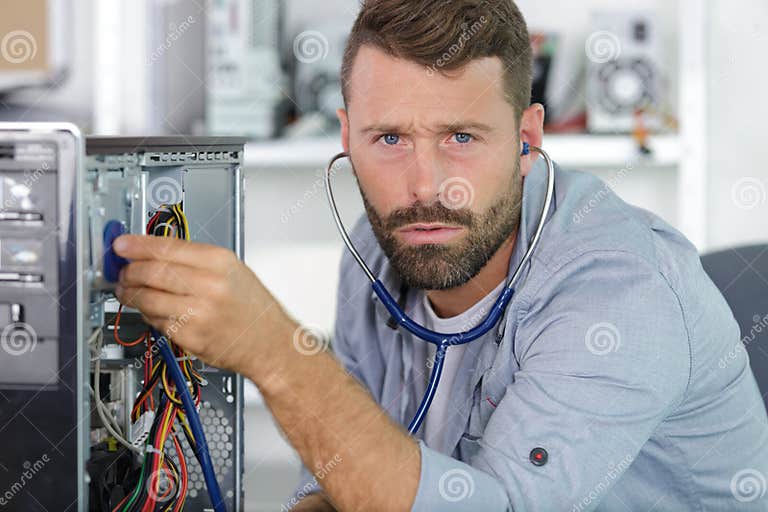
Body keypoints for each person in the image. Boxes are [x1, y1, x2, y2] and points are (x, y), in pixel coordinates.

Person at [113, 0, 768, 509]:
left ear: (526, 137)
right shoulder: (379, 247)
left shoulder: (625, 292)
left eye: (460, 135)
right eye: (390, 137)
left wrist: (275, 354)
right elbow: (351, 465)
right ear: (346, 135)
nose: (424, 187)